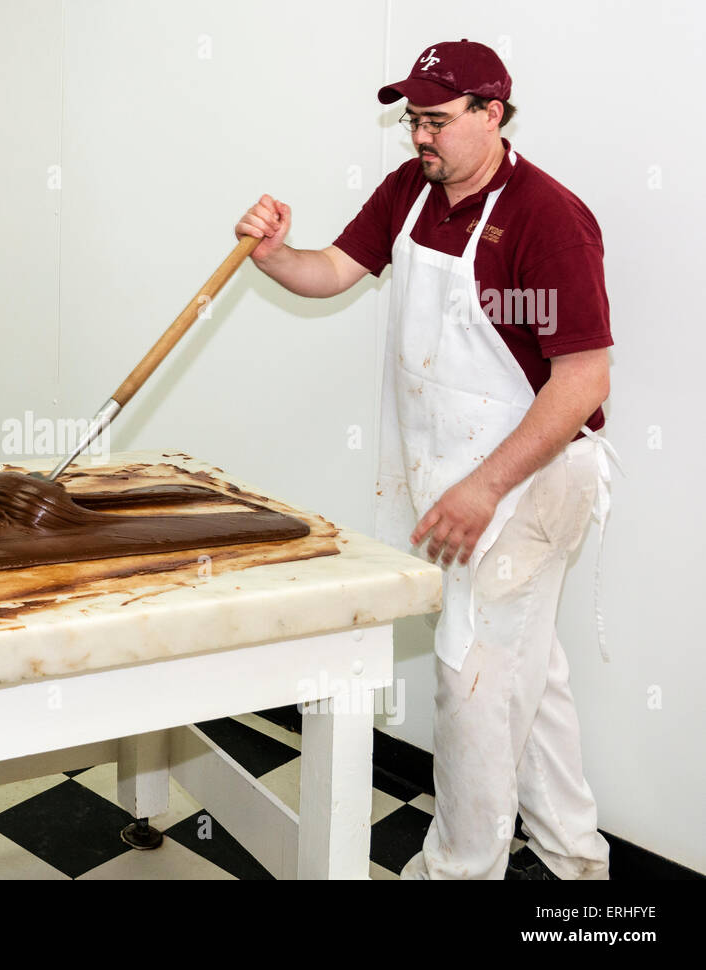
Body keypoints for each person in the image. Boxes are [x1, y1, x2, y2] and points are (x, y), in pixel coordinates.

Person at [235, 39, 618, 880]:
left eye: (437, 119)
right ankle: (574, 860)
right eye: (412, 118)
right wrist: (274, 258)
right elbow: (334, 268)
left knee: (472, 681)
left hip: (533, 483)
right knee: (523, 673)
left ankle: (457, 867)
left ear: (493, 114)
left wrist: (484, 489)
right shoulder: (414, 191)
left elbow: (584, 379)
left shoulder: (548, 218)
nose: (419, 136)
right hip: (463, 479)